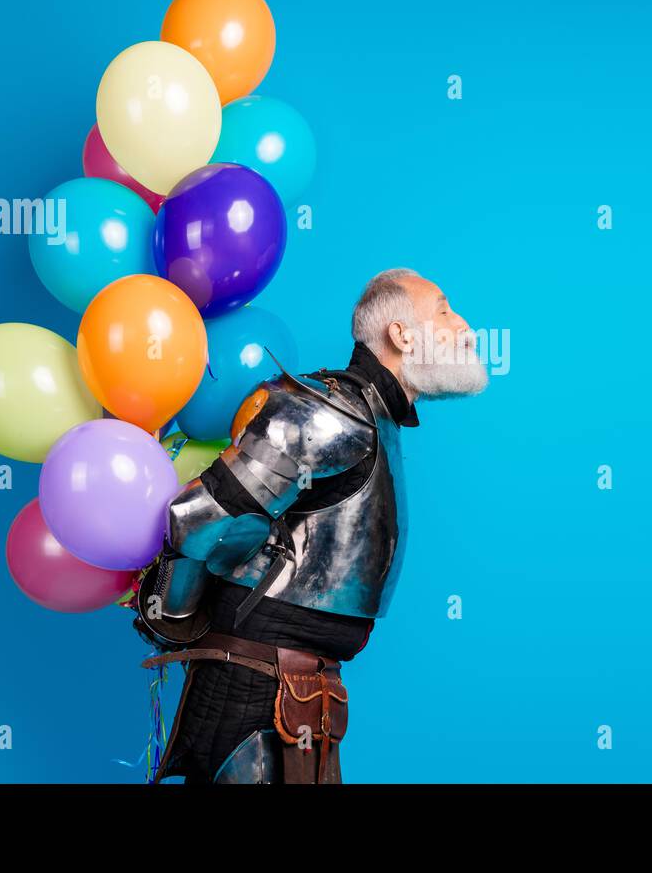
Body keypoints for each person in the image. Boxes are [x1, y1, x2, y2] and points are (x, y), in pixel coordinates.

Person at [133, 268, 488, 783]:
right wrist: (168, 612)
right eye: (444, 310)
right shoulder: (327, 412)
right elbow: (196, 517)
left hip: (303, 688)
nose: (465, 328)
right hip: (252, 686)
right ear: (401, 335)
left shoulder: (378, 419)